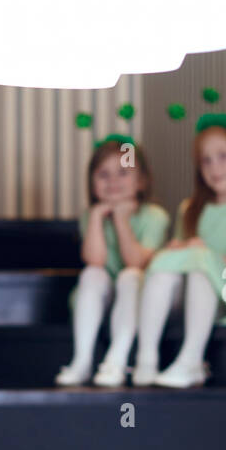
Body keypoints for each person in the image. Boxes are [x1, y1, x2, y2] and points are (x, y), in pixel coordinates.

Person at [132, 113, 226, 388]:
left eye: (224, 156)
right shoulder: (191, 210)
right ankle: (146, 358)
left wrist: (212, 258)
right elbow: (174, 263)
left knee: (202, 272)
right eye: (206, 160)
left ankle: (191, 361)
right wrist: (178, 249)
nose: (214, 167)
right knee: (165, 274)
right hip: (188, 296)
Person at [56, 134, 169, 387]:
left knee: (131, 277)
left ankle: (116, 360)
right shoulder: (92, 216)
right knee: (91, 275)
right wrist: (97, 218)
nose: (113, 182)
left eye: (122, 173)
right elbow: (94, 260)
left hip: (137, 299)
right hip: (102, 298)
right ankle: (82, 360)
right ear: (92, 183)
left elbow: (135, 262)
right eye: (103, 175)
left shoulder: (154, 216)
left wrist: (120, 219)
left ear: (141, 182)